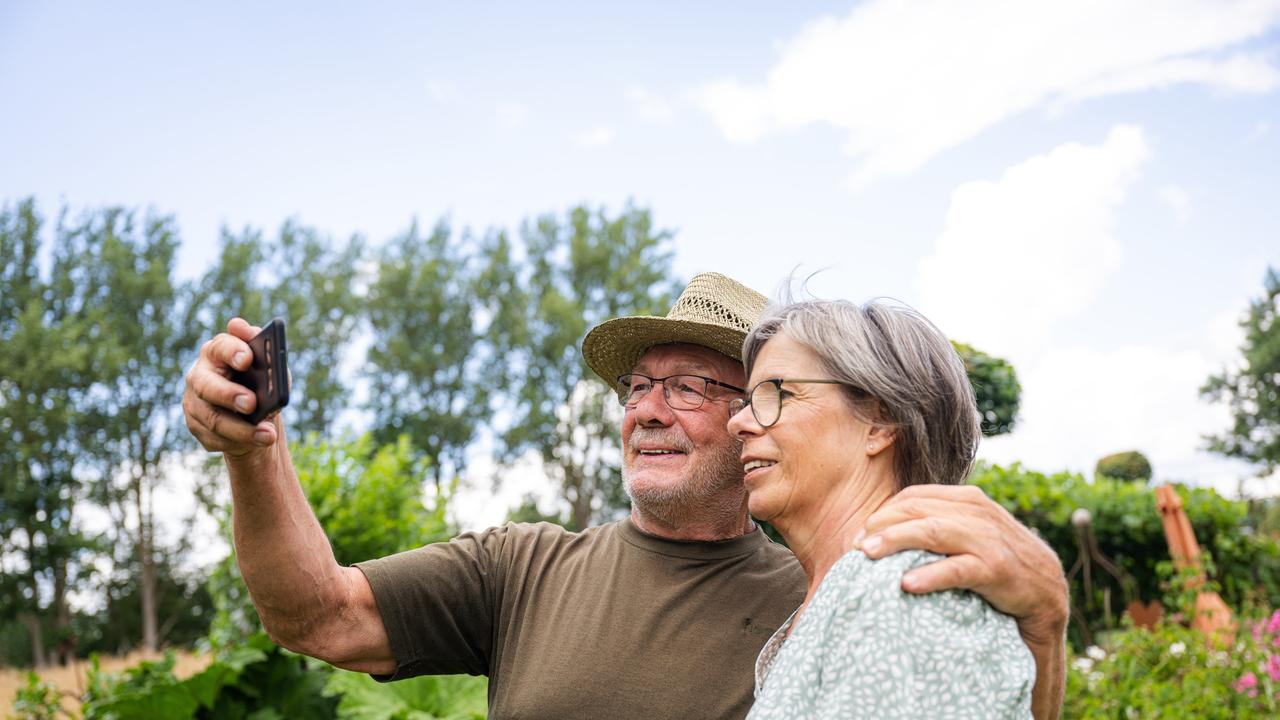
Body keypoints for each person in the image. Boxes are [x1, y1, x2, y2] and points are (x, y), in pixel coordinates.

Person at [182, 272, 1068, 720]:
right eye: (636, 387)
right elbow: (316, 616)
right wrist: (253, 452)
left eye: (691, 387)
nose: (646, 408)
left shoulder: (833, 596)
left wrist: (1045, 631)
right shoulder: (524, 568)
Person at [728, 297, 1033, 718]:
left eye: (777, 393)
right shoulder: (847, 593)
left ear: (879, 422)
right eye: (746, 401)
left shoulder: (902, 593)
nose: (738, 423)